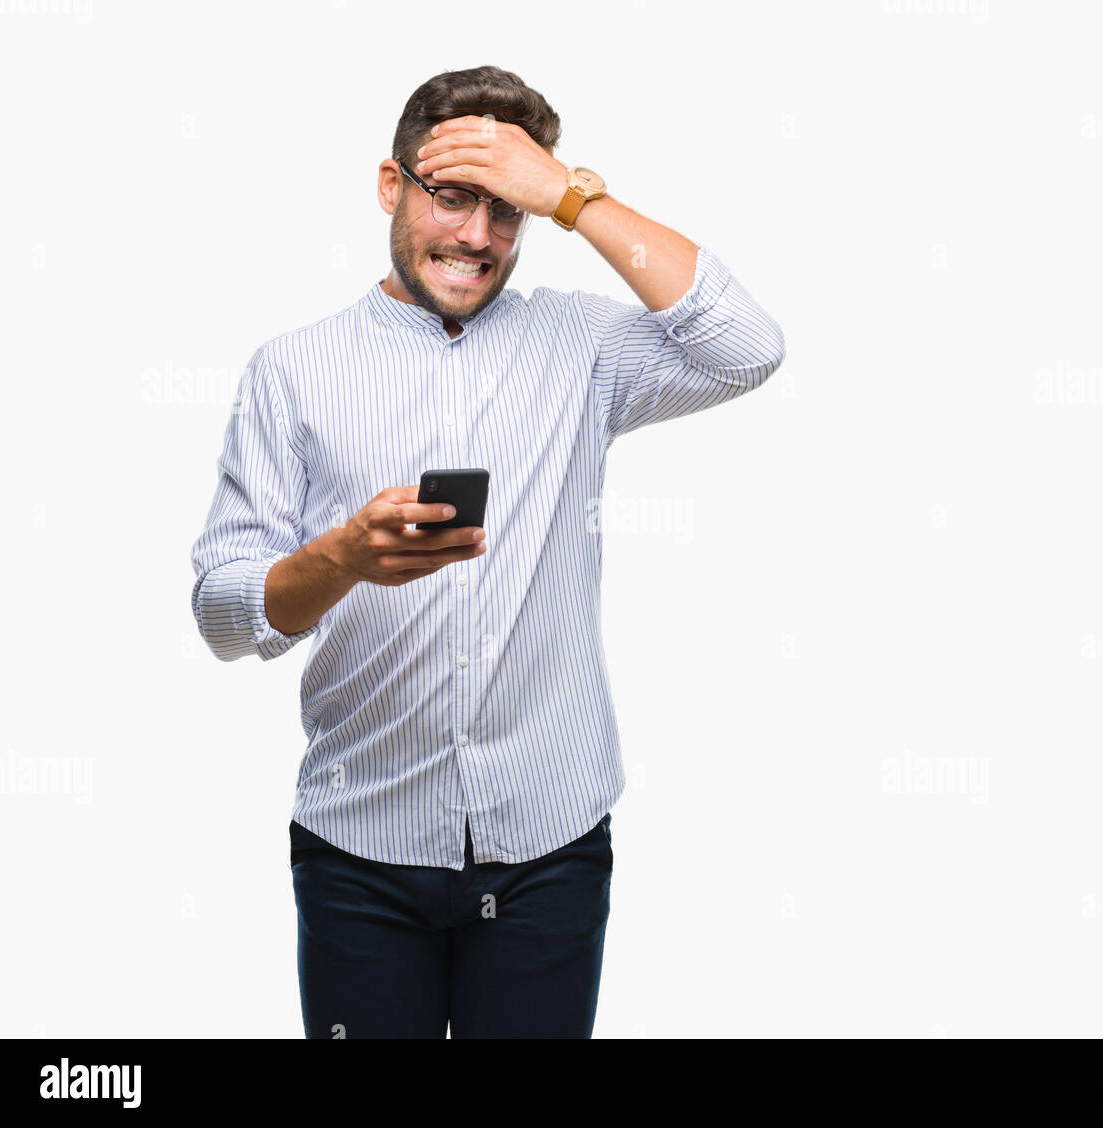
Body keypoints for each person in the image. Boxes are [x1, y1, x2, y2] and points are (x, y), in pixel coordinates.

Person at [189, 65, 786, 1038]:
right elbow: (223, 614)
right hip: (360, 853)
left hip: (548, 845)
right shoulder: (292, 371)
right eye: (452, 196)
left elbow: (747, 347)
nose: (476, 236)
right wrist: (340, 556)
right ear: (392, 187)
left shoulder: (583, 347)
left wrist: (570, 196)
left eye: (504, 209)